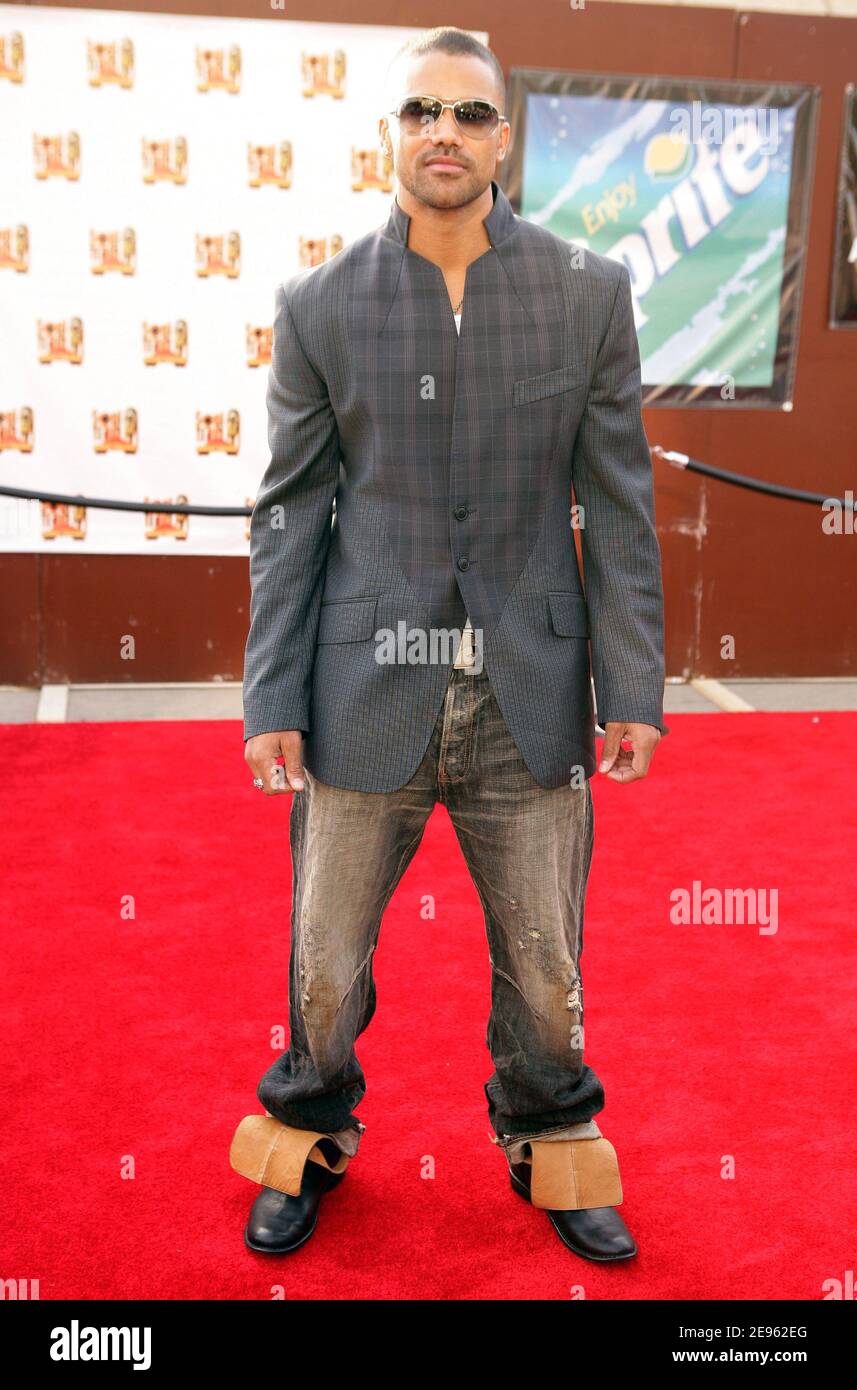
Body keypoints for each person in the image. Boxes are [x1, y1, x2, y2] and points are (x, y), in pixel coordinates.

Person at [232, 26, 667, 1263]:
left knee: (545, 971)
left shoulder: (586, 292)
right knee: (323, 966)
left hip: (528, 691)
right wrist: (271, 694)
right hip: (364, 685)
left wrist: (628, 681)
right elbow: (291, 511)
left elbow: (619, 502)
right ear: (390, 134)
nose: (443, 132)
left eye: (468, 115)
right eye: (420, 110)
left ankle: (554, 1144)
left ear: (500, 139)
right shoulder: (319, 304)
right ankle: (306, 1134)